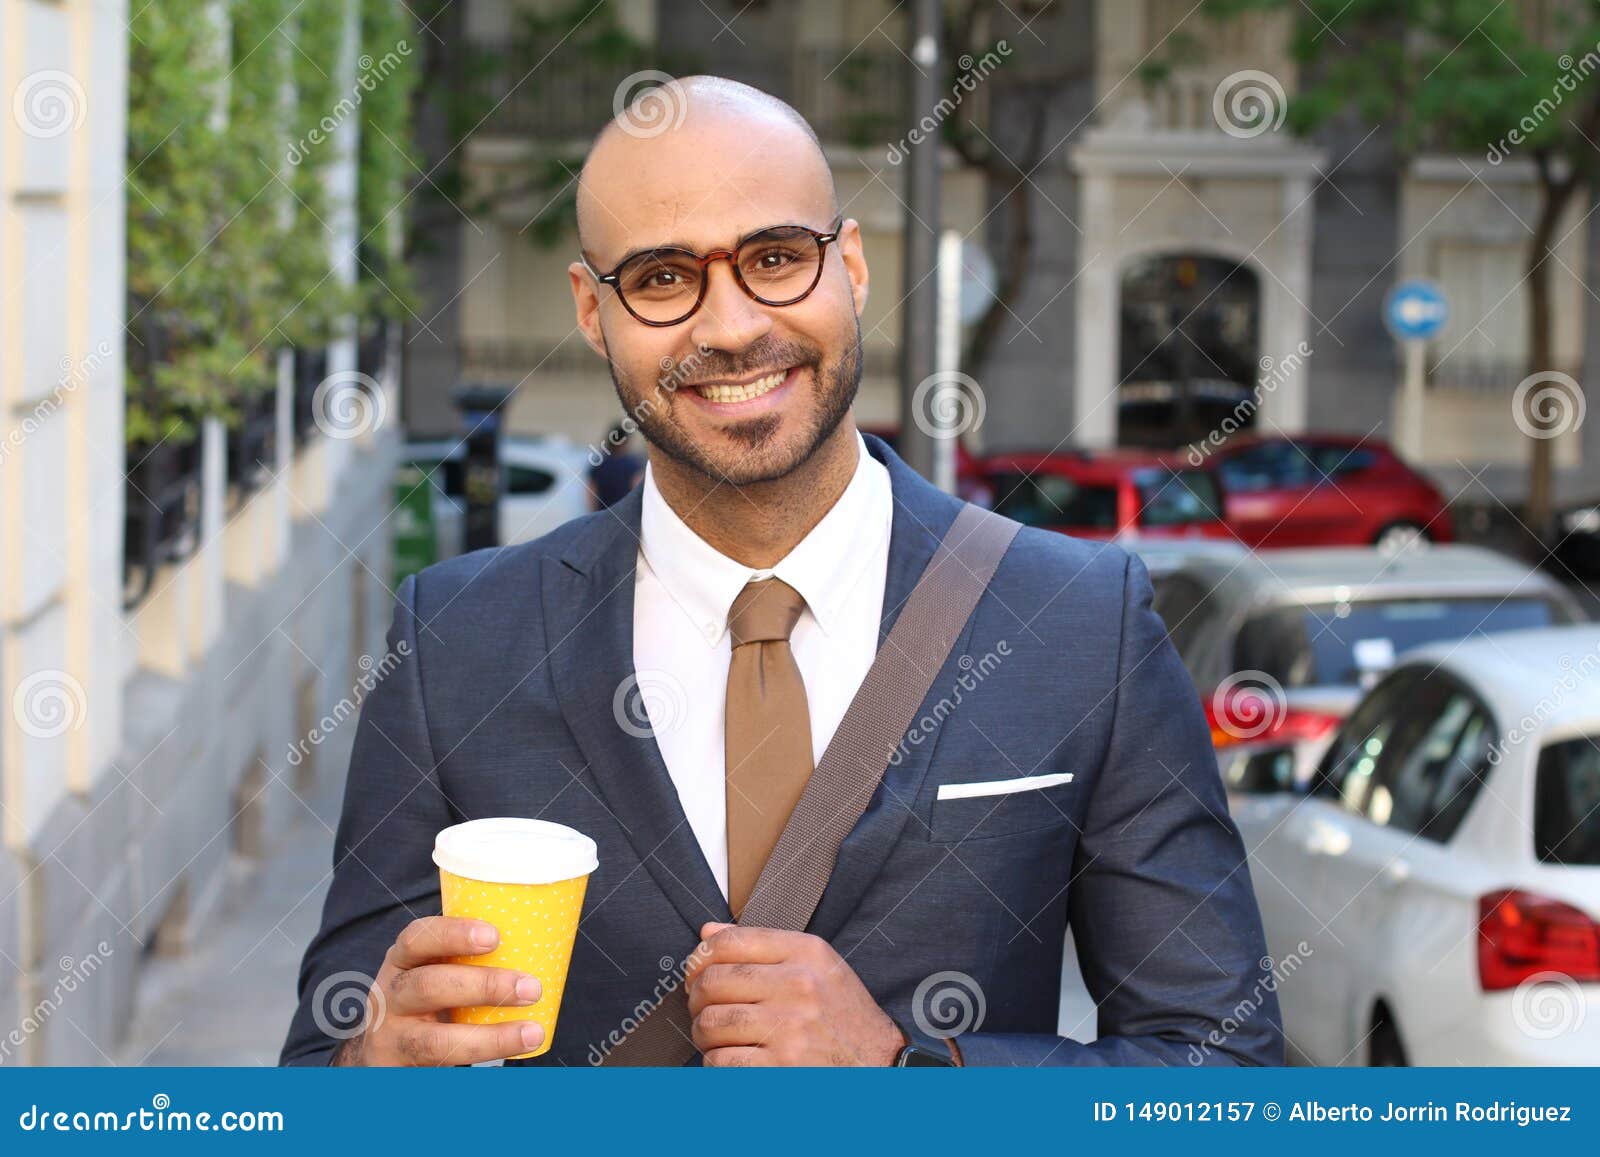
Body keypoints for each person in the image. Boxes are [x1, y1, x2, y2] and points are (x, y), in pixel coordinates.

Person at [280, 76, 1281, 1068]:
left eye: (773, 258)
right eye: (664, 278)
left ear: (850, 264)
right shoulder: (458, 641)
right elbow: (320, 1068)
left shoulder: (1076, 623)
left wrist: (907, 1073)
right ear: (593, 310)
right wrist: (371, 1071)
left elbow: (1224, 1078)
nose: (727, 327)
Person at [588, 421, 643, 509]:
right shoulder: (631, 465)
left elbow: (591, 495)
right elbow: (637, 491)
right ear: (625, 442)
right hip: (625, 514)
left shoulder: (599, 464)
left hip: (602, 515)